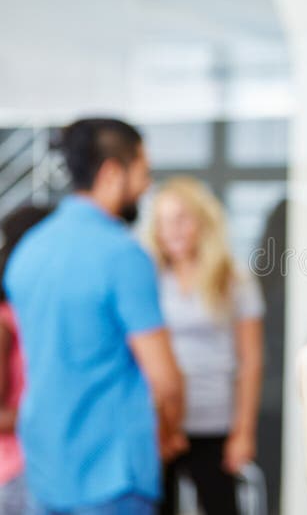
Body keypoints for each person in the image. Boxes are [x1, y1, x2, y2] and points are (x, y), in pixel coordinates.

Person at [3, 118, 185, 514]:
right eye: (143, 172)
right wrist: (169, 433)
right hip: (110, 476)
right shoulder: (123, 254)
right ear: (112, 172)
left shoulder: (28, 251)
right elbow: (166, 381)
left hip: (44, 470)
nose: (147, 186)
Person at [146, 177, 265, 515]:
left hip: (215, 423)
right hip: (161, 427)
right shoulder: (150, 279)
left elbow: (251, 360)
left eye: (181, 219)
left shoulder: (233, 279)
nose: (172, 231)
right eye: (164, 222)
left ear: (201, 221)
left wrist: (244, 432)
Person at [0, 205, 52, 514]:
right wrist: (54, 414)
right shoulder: (5, 320)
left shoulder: (35, 311)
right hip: (17, 475)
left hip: (47, 469)